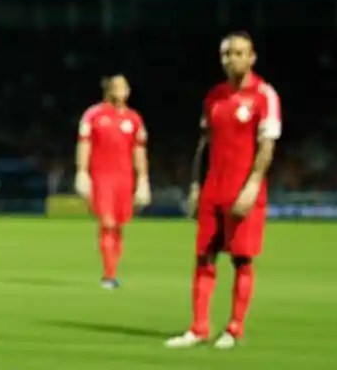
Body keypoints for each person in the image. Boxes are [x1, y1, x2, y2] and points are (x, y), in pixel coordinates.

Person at [166, 32, 281, 349]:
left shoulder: (265, 95)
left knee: (241, 260)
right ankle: (198, 327)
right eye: (227, 54)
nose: (233, 59)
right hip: (213, 189)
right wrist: (195, 186)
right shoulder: (214, 96)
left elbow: (267, 147)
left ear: (252, 57)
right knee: (204, 258)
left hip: (243, 189)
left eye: (239, 53)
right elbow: (204, 145)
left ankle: (234, 328)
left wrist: (252, 186)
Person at [74, 74, 151, 289]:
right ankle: (108, 276)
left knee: (117, 225)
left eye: (125, 86)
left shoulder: (134, 119)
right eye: (117, 86)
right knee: (107, 223)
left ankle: (112, 271)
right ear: (108, 89)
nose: (122, 90)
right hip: (101, 177)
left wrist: (143, 179)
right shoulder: (93, 115)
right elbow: (84, 144)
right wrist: (82, 171)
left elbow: (139, 151)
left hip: (125, 179)